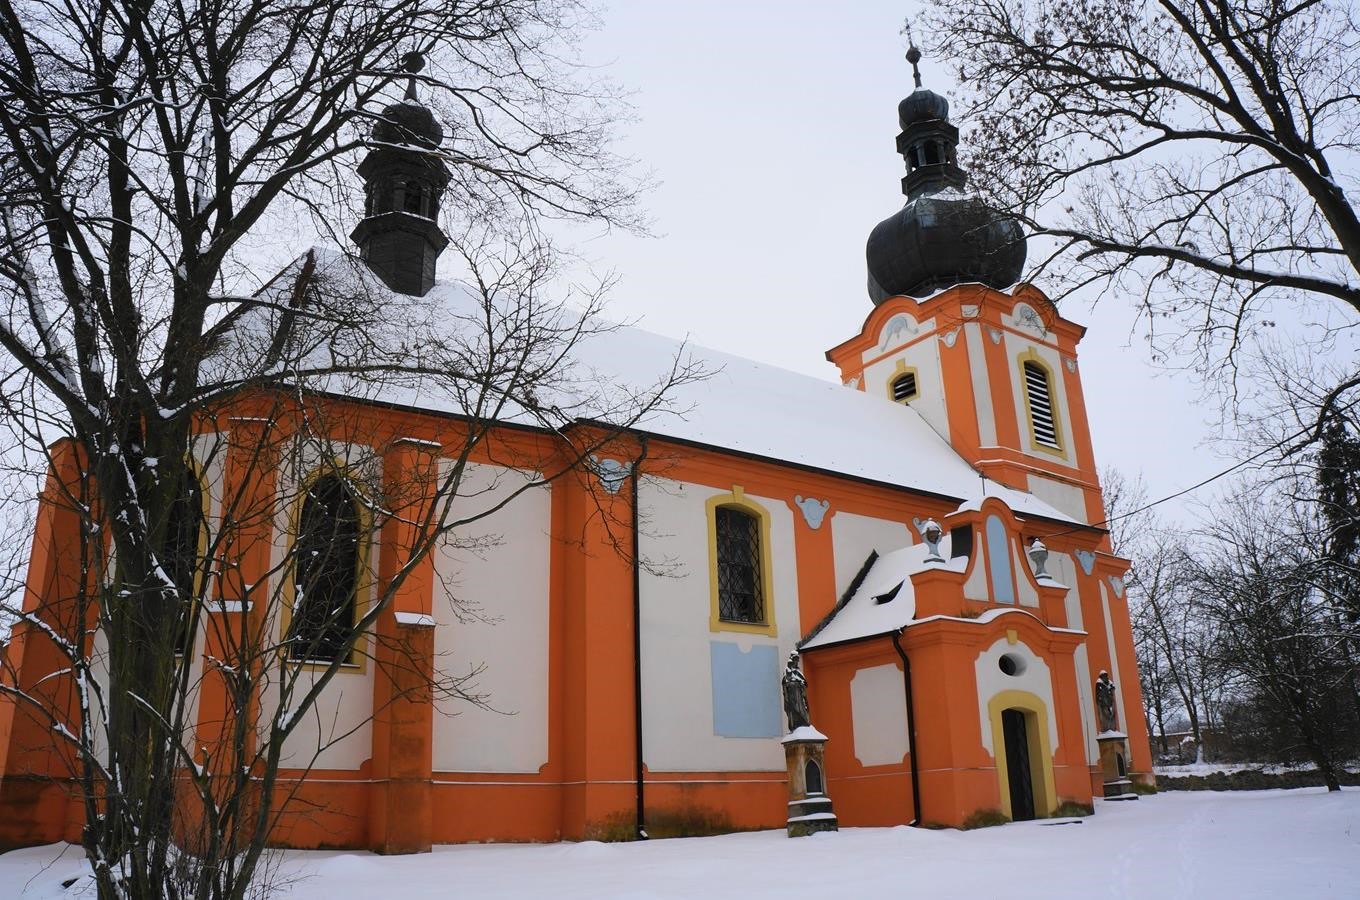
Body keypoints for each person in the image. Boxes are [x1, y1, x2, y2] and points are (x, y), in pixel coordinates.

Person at [782, 651, 811, 731]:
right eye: (795, 660)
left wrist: (799, 683)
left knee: (802, 711)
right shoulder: (787, 672)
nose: (796, 662)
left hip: (799, 696)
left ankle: (804, 723)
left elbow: (805, 683)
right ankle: (795, 724)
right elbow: (785, 683)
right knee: (793, 710)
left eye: (797, 660)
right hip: (792, 696)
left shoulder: (798, 672)